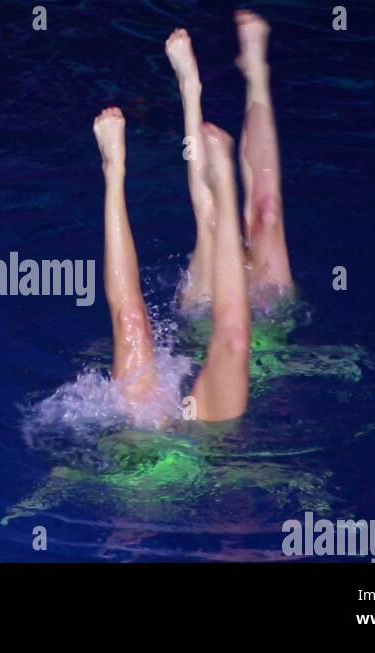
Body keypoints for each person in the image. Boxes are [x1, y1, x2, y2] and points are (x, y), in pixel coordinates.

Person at [92, 10, 292, 424]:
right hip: (247, 360)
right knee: (232, 218)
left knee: (256, 214)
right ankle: (197, 90)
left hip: (209, 339)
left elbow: (126, 311)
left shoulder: (144, 431)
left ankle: (223, 82)